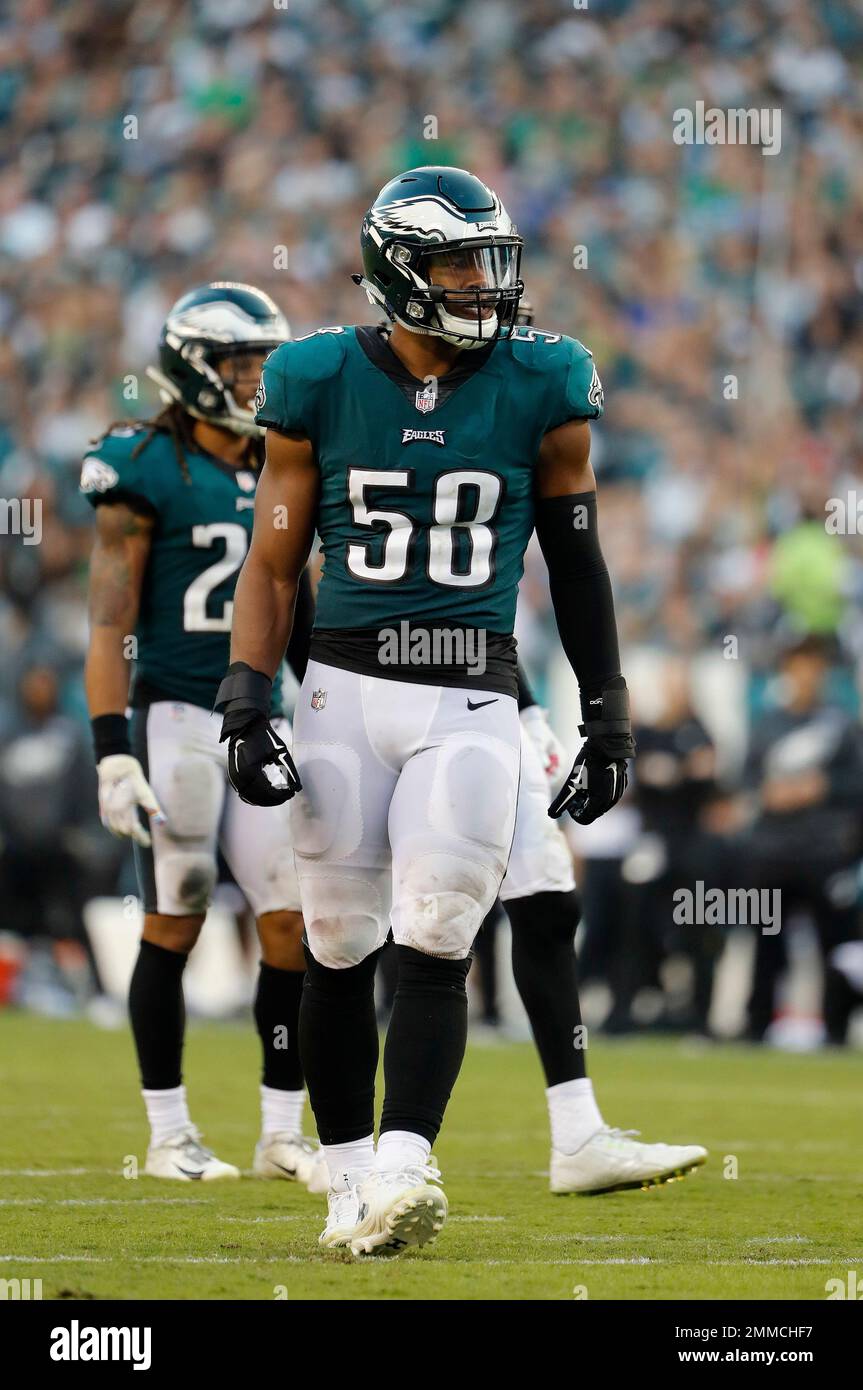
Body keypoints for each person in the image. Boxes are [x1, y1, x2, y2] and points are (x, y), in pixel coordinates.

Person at [217, 166, 664, 1256]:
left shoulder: (542, 379)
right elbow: (274, 562)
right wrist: (243, 692)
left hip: (470, 690)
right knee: (335, 941)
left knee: (437, 932)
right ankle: (348, 1178)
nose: (483, 282)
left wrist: (606, 713)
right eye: (458, 262)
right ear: (396, 272)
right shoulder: (315, 376)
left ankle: (408, 1161)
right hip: (336, 691)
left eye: (488, 259)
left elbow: (576, 561)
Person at [82, 282, 325, 1190]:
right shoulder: (140, 464)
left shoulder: (285, 460)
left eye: (266, 362)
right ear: (193, 367)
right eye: (242, 364)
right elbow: (109, 623)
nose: (258, 380)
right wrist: (113, 748)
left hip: (257, 715)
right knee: (175, 915)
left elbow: (303, 604)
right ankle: (170, 1132)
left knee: (292, 924)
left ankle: (278, 1131)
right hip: (177, 715)